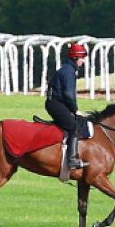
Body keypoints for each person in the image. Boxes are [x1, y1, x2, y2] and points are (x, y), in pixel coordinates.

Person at [47, 42, 89, 183]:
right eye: (82, 58)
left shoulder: (68, 69)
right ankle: (72, 160)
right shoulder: (69, 72)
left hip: (56, 103)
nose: (83, 61)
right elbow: (68, 95)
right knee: (73, 126)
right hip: (56, 104)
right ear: (76, 57)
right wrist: (75, 110)